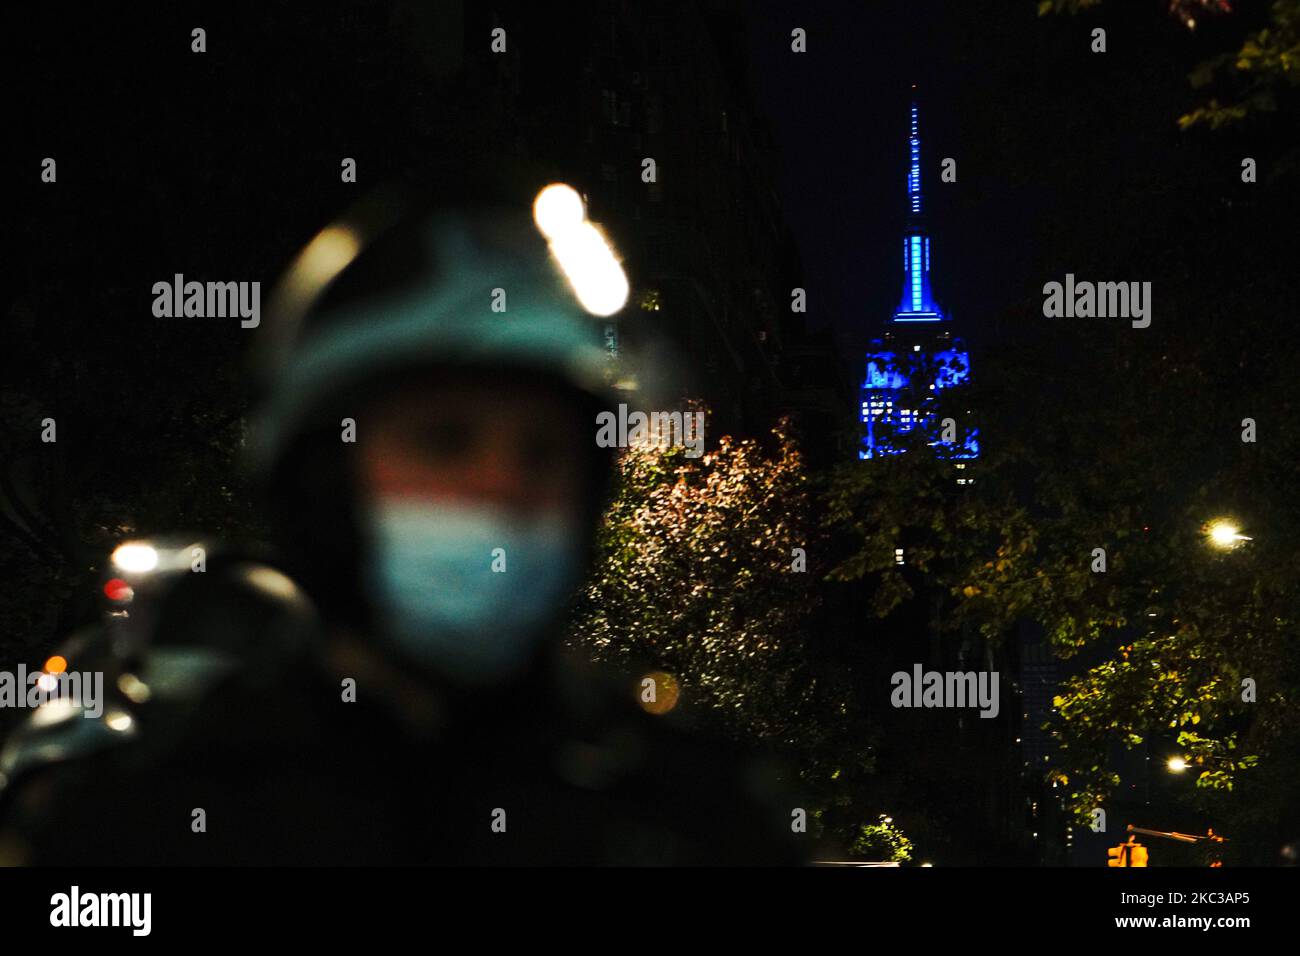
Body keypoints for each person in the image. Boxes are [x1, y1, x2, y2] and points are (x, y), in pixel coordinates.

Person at [0, 190, 804, 865]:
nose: (504, 488)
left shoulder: (694, 816)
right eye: (444, 439)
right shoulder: (146, 826)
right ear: (321, 474)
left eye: (545, 452)